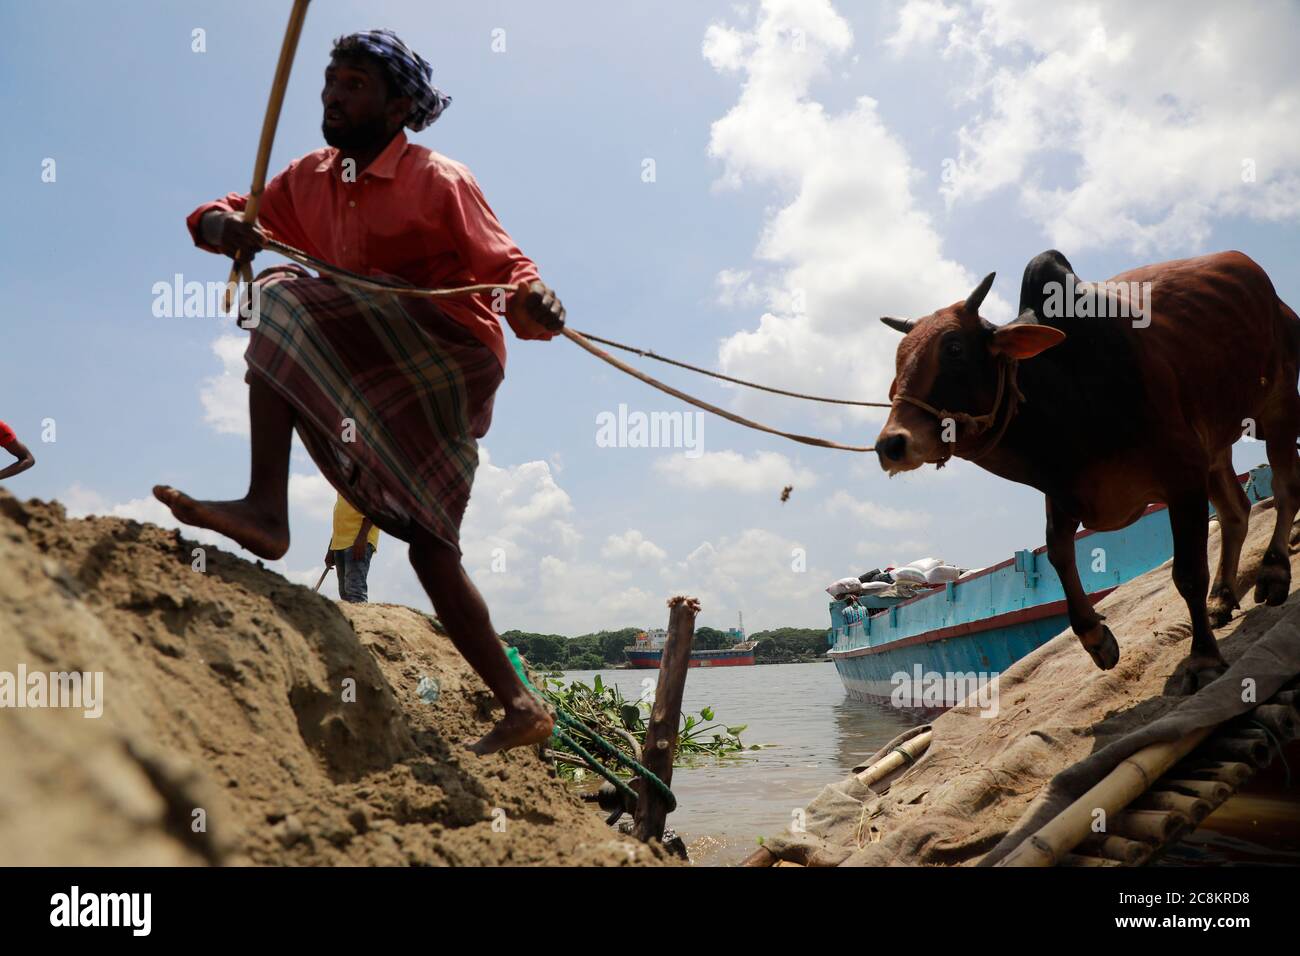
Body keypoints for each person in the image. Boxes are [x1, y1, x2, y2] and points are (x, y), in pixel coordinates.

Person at [154, 29, 563, 755]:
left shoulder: (439, 178)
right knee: (431, 544)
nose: (333, 96)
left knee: (282, 296)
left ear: (399, 104)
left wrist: (531, 303)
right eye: (330, 81)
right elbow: (222, 213)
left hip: (447, 351)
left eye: (354, 85)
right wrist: (223, 228)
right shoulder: (307, 177)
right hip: (371, 347)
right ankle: (521, 705)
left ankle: (266, 508)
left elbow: (507, 271)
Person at [326, 492, 379, 603]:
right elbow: (340, 517)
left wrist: (362, 536)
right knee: (344, 593)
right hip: (339, 542)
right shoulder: (342, 483)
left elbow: (374, 507)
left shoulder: (364, 478)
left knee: (355, 591)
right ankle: (348, 620)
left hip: (358, 539)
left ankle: (360, 620)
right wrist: (331, 547)